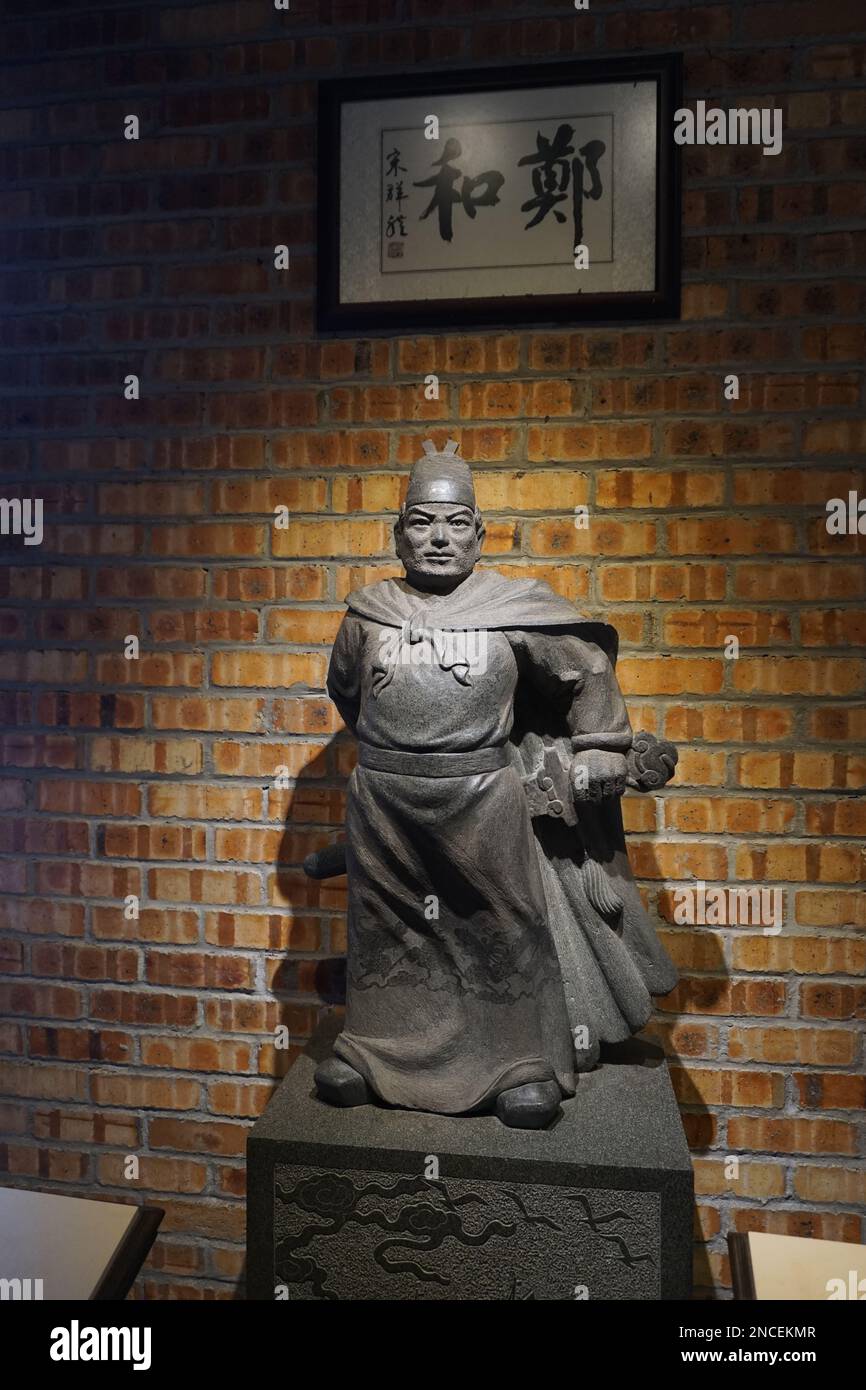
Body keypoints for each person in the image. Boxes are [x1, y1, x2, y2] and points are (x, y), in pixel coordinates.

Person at [314, 439, 677, 1128]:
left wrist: (602, 746)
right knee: (387, 930)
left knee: (503, 929)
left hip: (482, 801)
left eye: (455, 523)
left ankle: (522, 1067)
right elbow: (347, 695)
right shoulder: (369, 614)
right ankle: (372, 1055)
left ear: (480, 534)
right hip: (385, 802)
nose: (438, 538)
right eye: (421, 521)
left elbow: (588, 670)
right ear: (398, 534)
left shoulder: (515, 609)